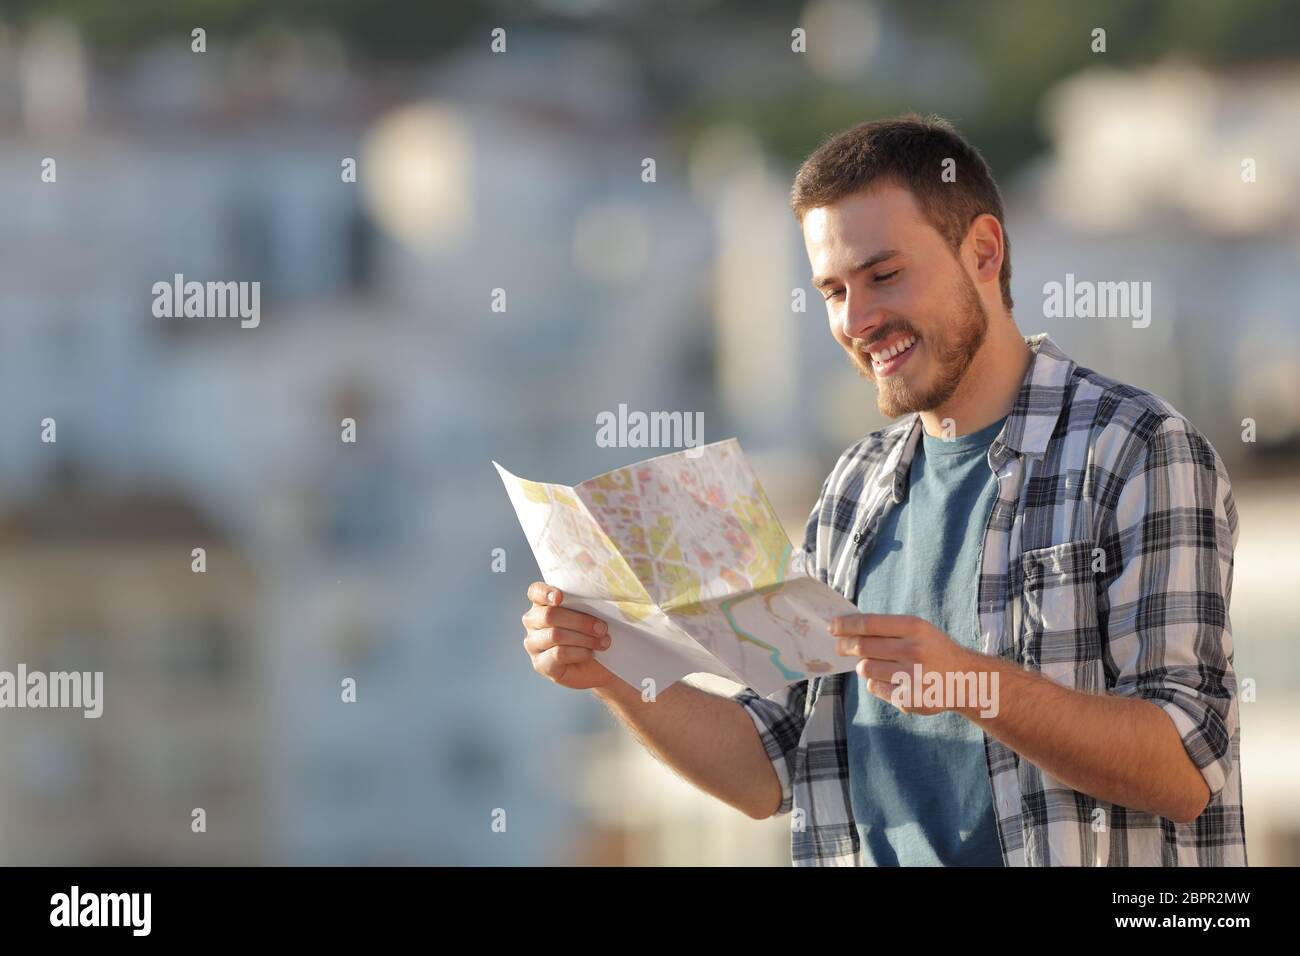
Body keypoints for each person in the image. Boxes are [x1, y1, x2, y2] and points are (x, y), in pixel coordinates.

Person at [520, 114, 1246, 866]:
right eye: (833, 290)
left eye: (884, 275)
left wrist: (970, 685)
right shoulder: (852, 488)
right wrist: (614, 670)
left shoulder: (1136, 450)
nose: (857, 320)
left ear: (984, 252)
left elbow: (1184, 768)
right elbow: (770, 768)